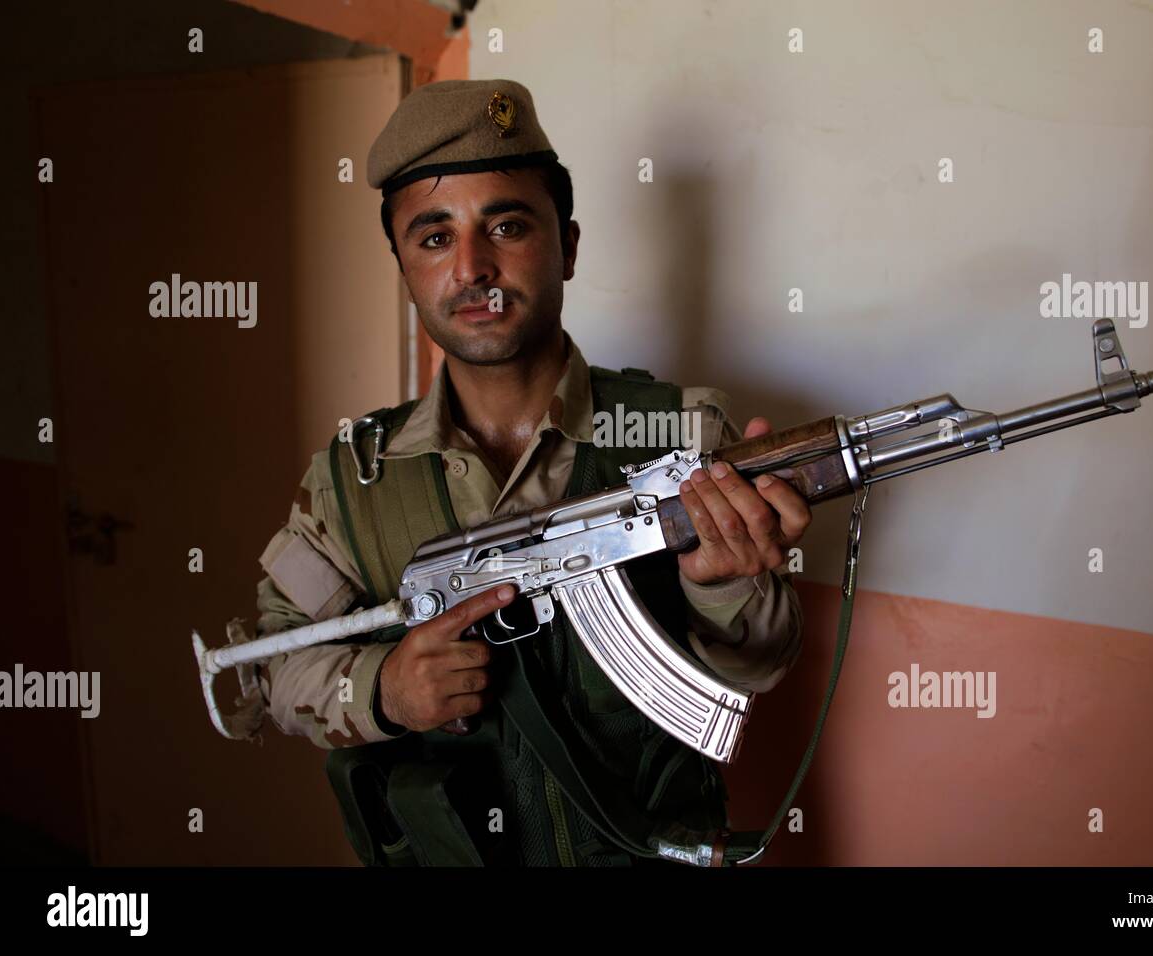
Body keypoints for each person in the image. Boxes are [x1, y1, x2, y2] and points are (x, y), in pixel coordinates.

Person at [251, 79, 813, 866]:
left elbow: (762, 665)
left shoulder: (681, 432)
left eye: (507, 225)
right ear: (405, 269)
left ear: (569, 246)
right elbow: (269, 665)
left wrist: (723, 586)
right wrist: (383, 690)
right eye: (434, 237)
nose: (473, 267)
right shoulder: (353, 479)